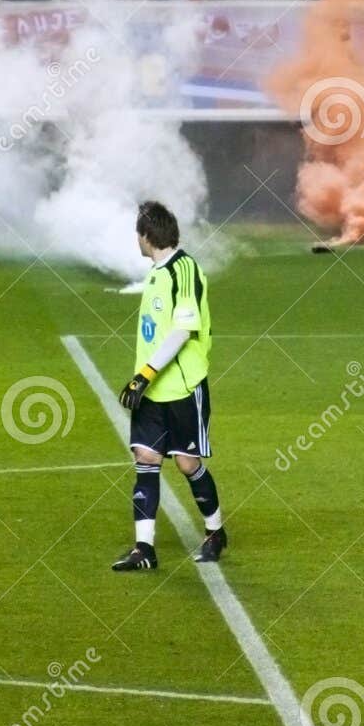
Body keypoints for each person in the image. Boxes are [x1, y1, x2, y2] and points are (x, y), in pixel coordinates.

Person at [113, 200, 225, 572]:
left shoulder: (184, 269)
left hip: (181, 387)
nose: (137, 240)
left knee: (186, 463)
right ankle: (144, 550)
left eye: (137, 234)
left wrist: (143, 374)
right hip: (152, 389)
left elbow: (181, 331)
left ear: (147, 236)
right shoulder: (157, 272)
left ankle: (215, 532)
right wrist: (143, 379)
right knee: (145, 460)